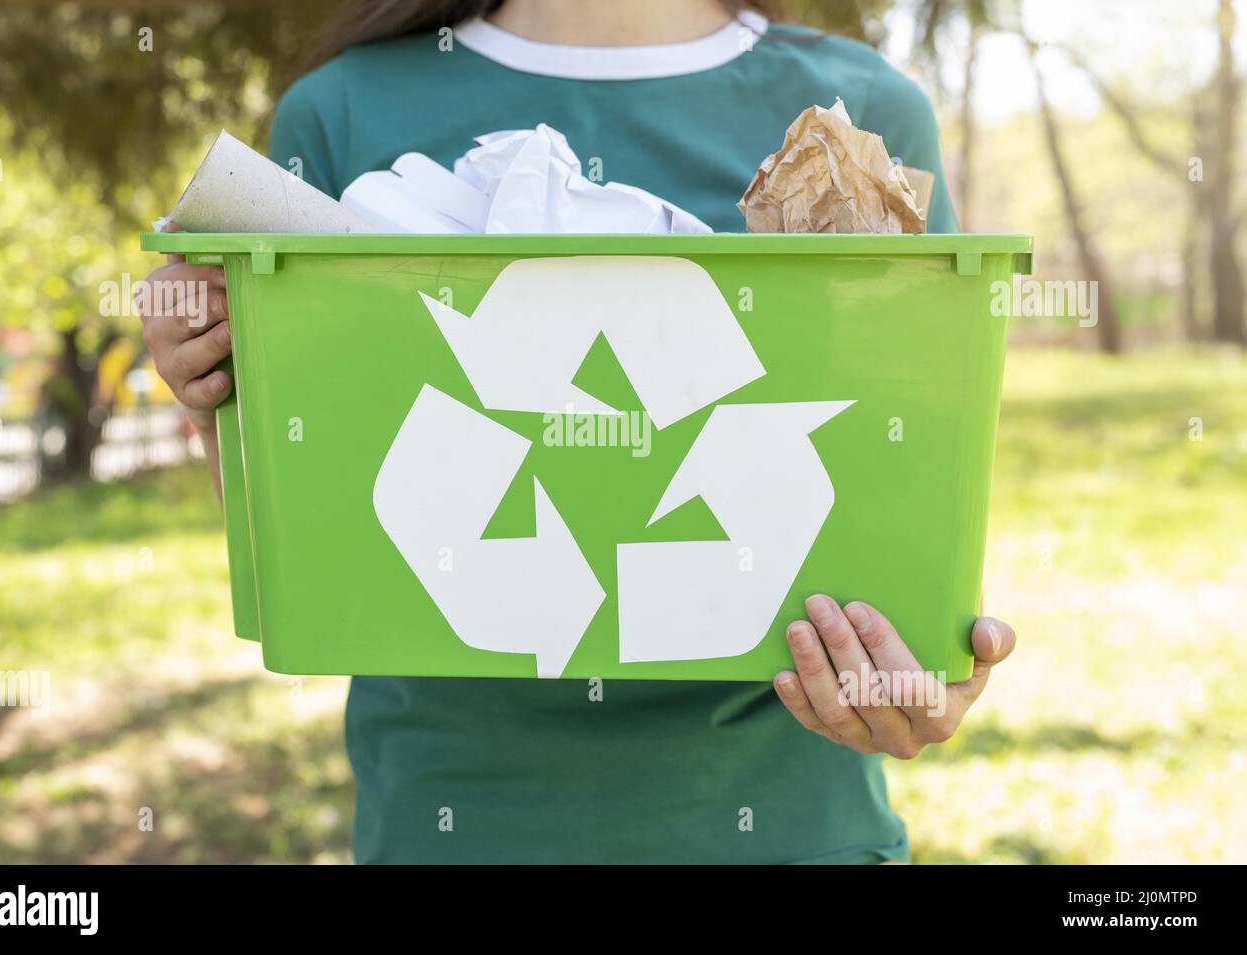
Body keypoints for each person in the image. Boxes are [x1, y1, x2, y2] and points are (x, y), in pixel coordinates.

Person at [139, 0, 1016, 864]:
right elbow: (323, 534)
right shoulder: (343, 111)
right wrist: (212, 384)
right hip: (453, 827)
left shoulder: (856, 109)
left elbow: (905, 493)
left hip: (787, 828)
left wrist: (920, 678)